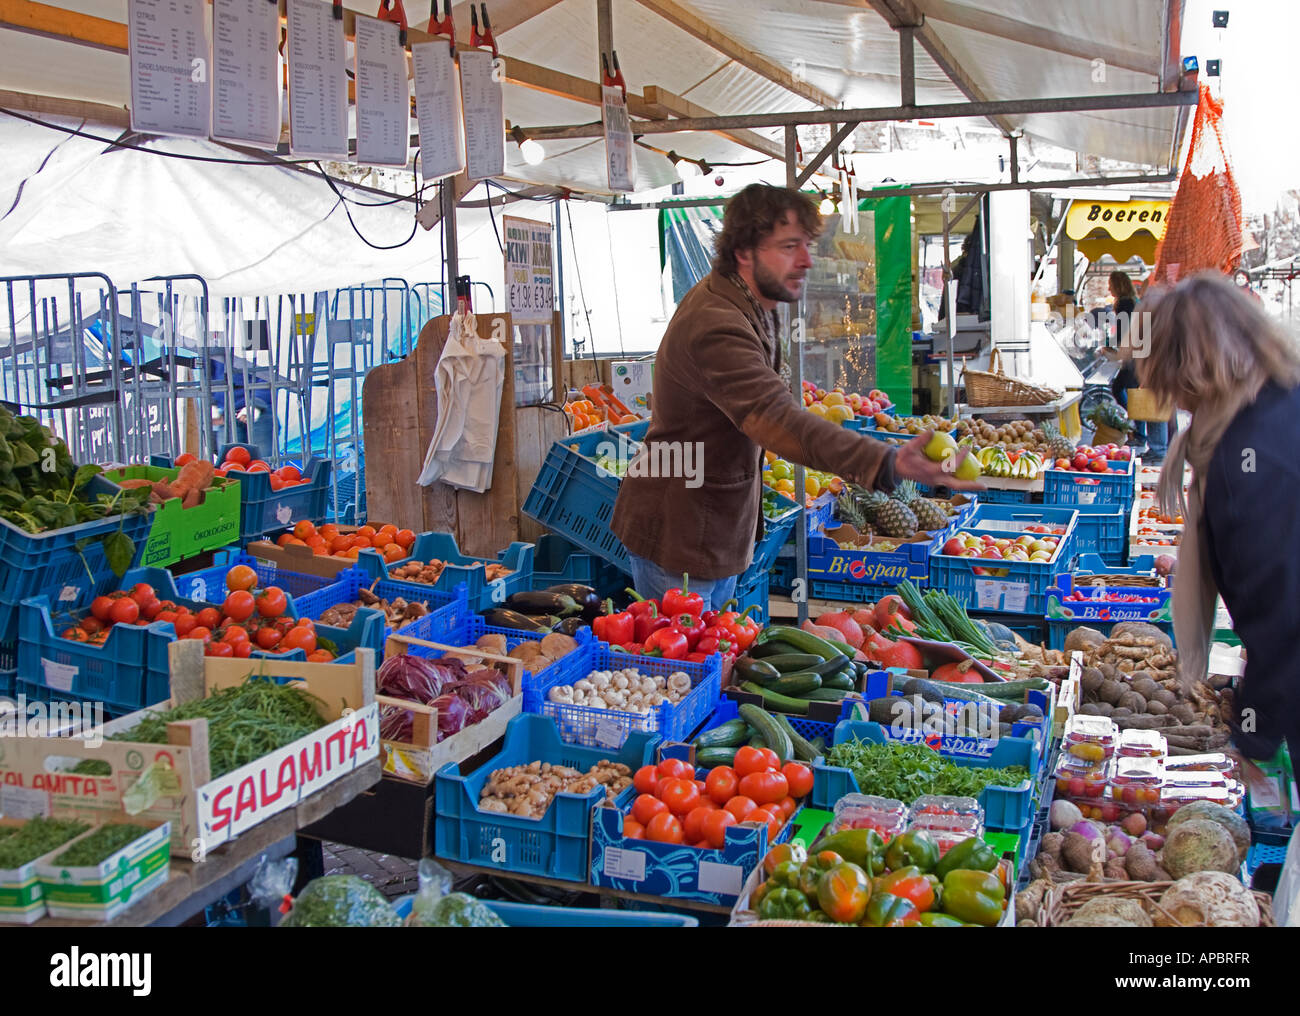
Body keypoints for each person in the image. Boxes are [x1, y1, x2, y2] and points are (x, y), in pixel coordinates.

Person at [610, 184, 981, 607]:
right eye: (789, 246)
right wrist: (886, 461)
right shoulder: (716, 323)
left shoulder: (751, 305)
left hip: (711, 524)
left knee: (711, 654)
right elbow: (776, 419)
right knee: (689, 667)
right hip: (679, 531)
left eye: (806, 245)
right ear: (745, 251)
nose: (806, 260)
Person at [1139, 272, 1300, 765]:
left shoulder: (1242, 462)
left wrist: (1251, 737)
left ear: (1182, 369)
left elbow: (1285, 620)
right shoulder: (1281, 400)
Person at [1104, 270, 1169, 462]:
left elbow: (1132, 335)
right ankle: (1154, 446)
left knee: (1147, 399)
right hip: (1151, 358)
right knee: (1146, 398)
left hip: (1149, 359)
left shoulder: (1132, 305)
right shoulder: (1142, 305)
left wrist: (1119, 353)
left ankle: (1156, 449)